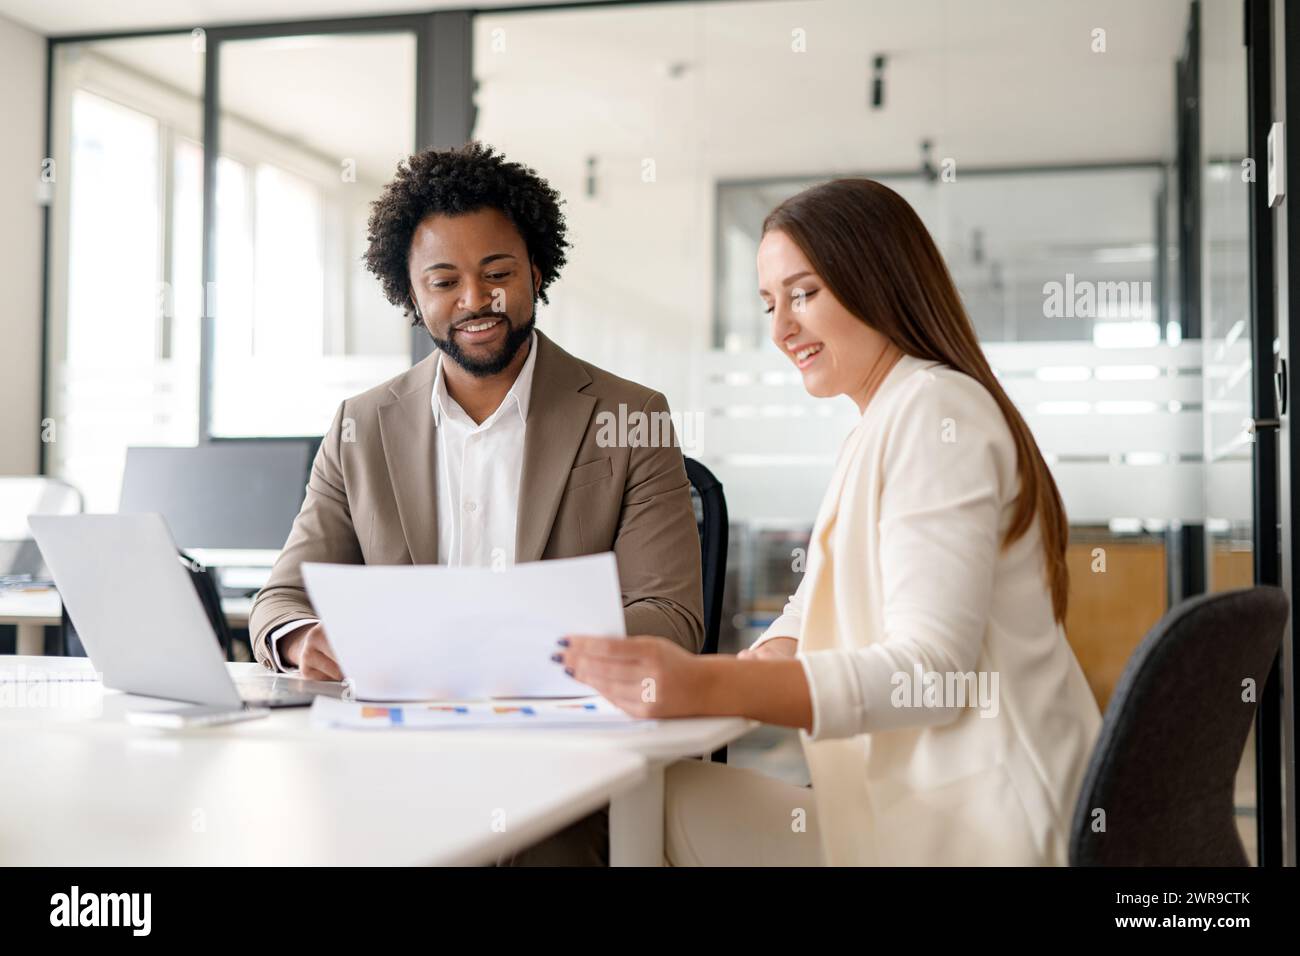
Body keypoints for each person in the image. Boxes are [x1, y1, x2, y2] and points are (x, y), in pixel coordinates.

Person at [556, 178, 1102, 866]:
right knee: (655, 795)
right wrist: (744, 666)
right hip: (921, 814)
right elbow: (808, 610)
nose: (781, 330)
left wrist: (707, 683)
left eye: (804, 293)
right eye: (768, 304)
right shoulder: (888, 419)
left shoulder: (936, 415)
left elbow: (930, 674)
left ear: (877, 279)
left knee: (647, 803)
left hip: (981, 836)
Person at [248, 142, 704, 865]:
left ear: (536, 272)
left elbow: (673, 619)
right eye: (444, 281)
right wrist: (308, 639)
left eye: (497, 274)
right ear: (410, 294)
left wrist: (514, 645)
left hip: (570, 777)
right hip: (394, 778)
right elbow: (280, 600)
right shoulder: (360, 425)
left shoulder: (632, 415)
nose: (475, 301)